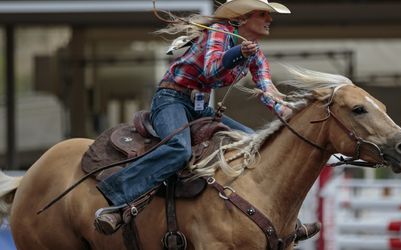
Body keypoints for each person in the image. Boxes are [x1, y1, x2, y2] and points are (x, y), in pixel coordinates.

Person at [94, 0, 320, 240]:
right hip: (171, 99)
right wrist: (236, 53)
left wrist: (288, 116)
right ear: (242, 19)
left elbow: (267, 89)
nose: (269, 20)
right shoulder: (220, 34)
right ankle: (118, 197)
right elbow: (211, 69)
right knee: (179, 149)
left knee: (254, 143)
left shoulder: (255, 53)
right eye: (263, 14)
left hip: (198, 108)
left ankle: (285, 221)